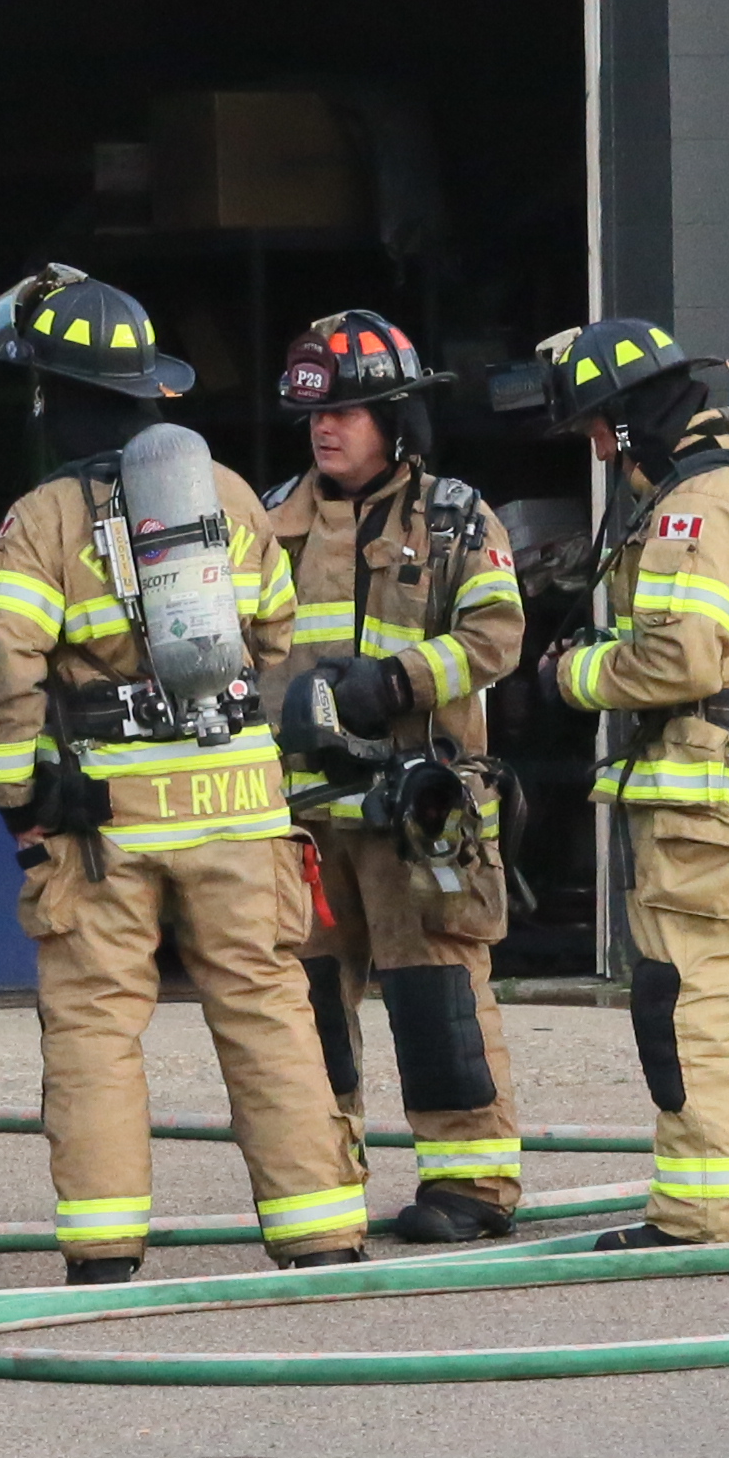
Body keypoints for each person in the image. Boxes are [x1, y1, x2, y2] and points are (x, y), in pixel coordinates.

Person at [0, 265, 366, 1280]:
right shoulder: (228, 495)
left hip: (107, 824)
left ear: (55, 394)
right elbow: (276, 636)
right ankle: (320, 1231)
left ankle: (104, 1250)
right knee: (269, 1006)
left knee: (96, 1025)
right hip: (238, 803)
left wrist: (20, 795)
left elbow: (6, 667)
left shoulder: (41, 518)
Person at [533, 317, 729, 1250]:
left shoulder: (695, 505)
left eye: (592, 427)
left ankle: (704, 1213)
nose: (593, 448)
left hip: (705, 796)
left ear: (620, 420)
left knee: (688, 999)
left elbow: (682, 658)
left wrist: (571, 676)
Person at [259, 308, 531, 1243]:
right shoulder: (269, 522)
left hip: (420, 810)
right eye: (315, 414)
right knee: (306, 1012)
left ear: (396, 418)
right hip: (304, 821)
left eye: (346, 411)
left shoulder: (456, 518)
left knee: (438, 996)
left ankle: (471, 1186)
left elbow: (497, 636)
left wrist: (396, 683)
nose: (324, 428)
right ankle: (323, 1185)